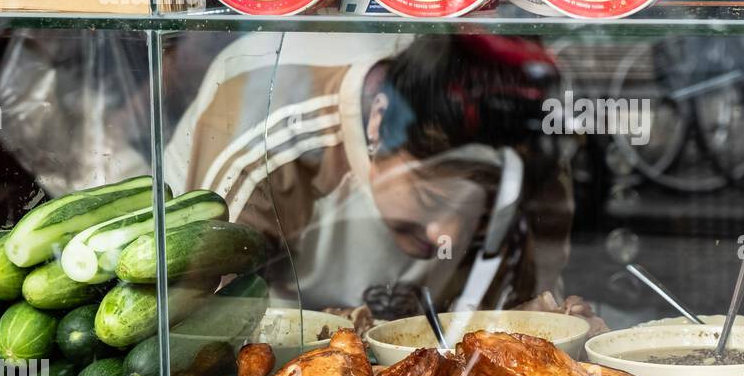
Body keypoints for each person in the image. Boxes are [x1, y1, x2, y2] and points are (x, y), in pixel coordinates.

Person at [164, 31, 603, 328]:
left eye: (482, 213)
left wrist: (547, 320)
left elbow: (519, 317)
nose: (445, 234)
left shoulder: (528, 159)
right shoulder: (272, 132)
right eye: (431, 197)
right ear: (378, 122)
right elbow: (202, 325)